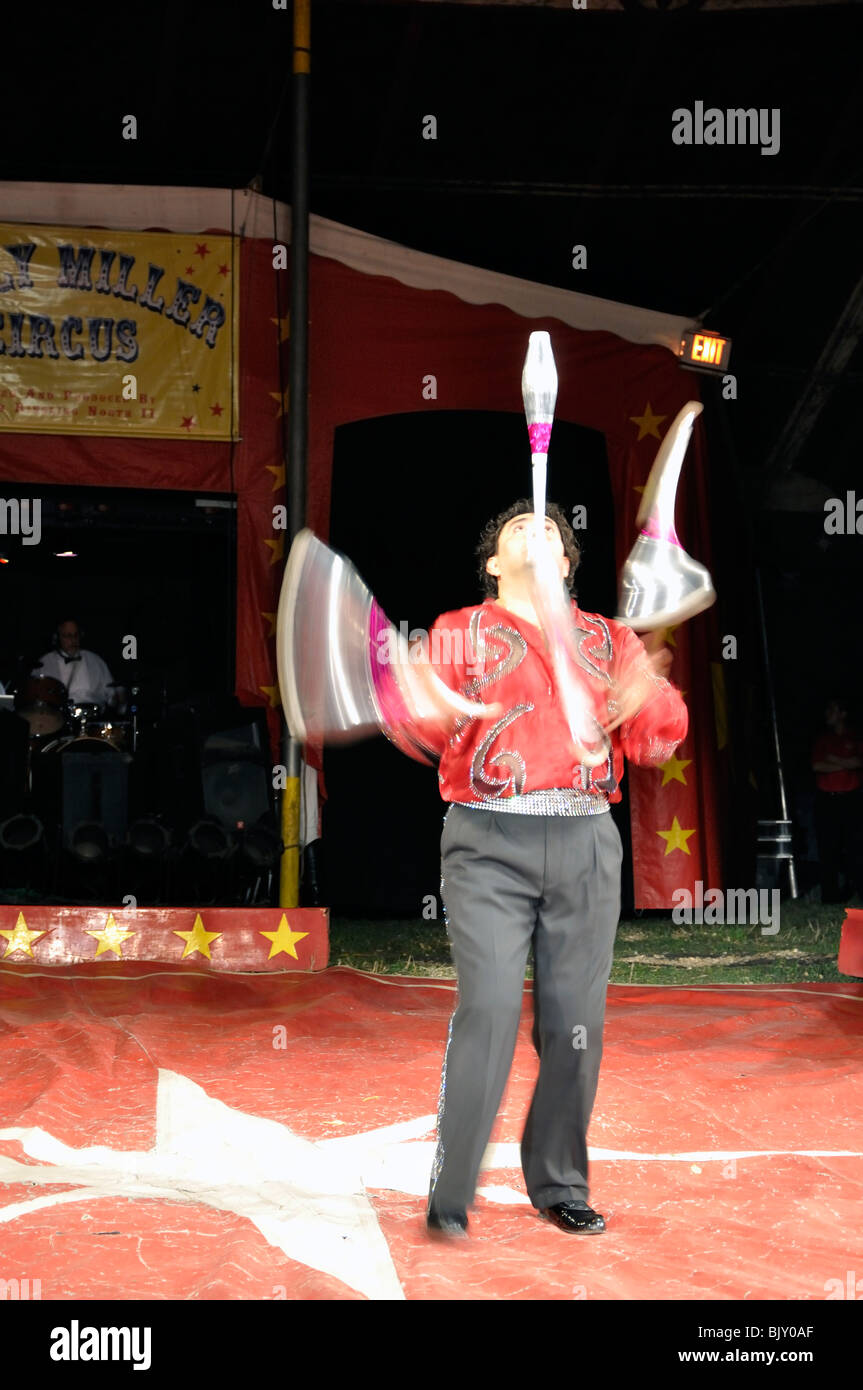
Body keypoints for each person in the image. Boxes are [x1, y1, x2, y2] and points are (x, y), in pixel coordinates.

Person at [422, 500, 688, 1237]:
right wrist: (422, 699)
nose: (533, 534)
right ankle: (452, 1189)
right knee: (491, 1008)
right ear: (492, 564)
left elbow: (659, 738)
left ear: (567, 564)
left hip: (585, 845)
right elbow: (420, 717)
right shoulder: (458, 630)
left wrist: (648, 699)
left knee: (576, 1023)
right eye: (514, 530)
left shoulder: (609, 639)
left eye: (550, 531)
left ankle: (559, 1183)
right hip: (486, 844)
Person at [810, 695, 863, 904]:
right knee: (828, 848)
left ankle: (858, 891)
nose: (827, 714)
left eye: (832, 710)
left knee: (856, 848)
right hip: (827, 800)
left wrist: (834, 760)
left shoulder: (855, 737)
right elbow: (817, 766)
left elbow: (859, 761)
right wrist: (846, 763)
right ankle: (830, 896)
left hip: (851, 799)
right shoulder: (823, 740)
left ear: (842, 714)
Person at [32, 618, 117, 712]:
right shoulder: (46, 662)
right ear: (57, 638)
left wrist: (118, 699)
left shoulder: (95, 660)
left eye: (76, 635)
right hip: (61, 717)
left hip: (94, 716)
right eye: (68, 636)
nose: (73, 640)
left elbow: (112, 693)